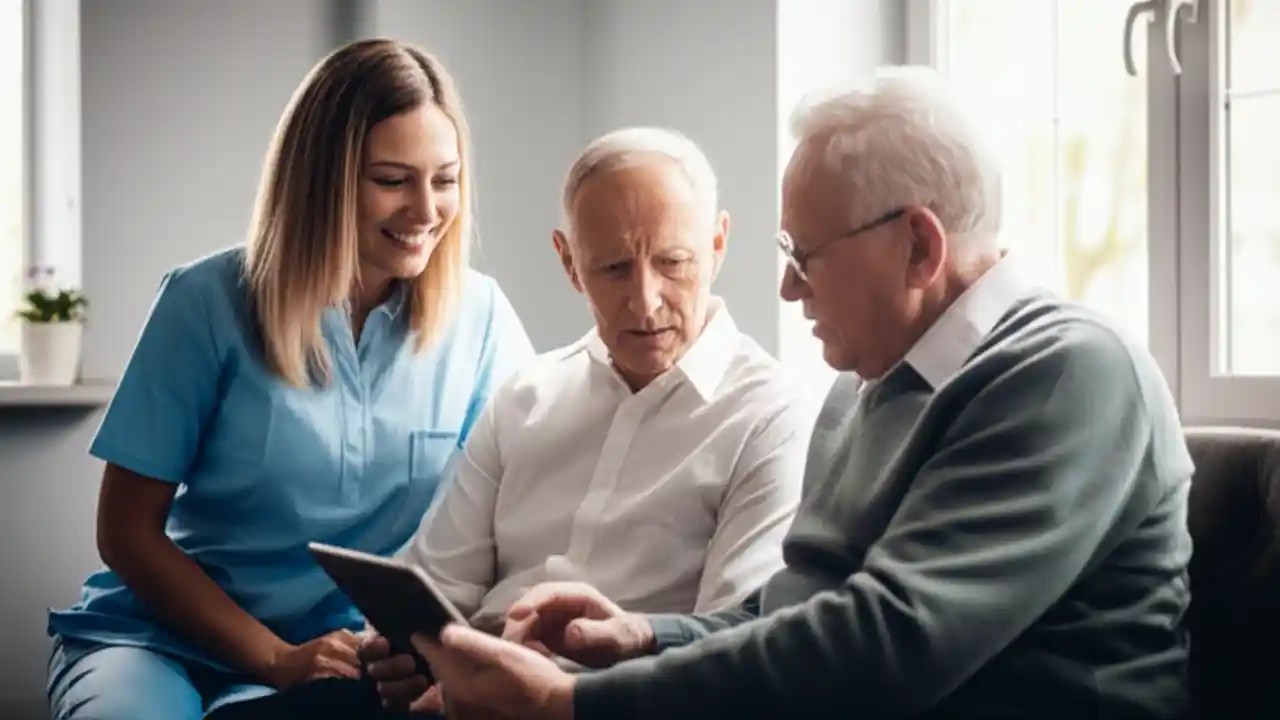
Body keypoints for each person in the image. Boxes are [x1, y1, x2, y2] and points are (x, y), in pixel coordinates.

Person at [407, 66, 1194, 719]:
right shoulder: (865, 388)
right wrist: (645, 636)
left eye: (804, 254)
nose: (787, 288)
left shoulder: (1068, 373)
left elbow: (888, 642)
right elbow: (795, 611)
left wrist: (569, 703)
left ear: (918, 246)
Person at [45, 38, 534, 720]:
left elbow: (518, 515)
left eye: (445, 180)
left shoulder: (480, 319)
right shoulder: (204, 301)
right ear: (322, 181)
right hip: (160, 640)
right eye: (392, 180)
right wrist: (273, 658)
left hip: (344, 660)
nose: (426, 210)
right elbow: (126, 530)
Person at [361, 127, 812, 714]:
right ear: (569, 262)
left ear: (718, 244)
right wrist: (404, 654)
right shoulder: (524, 397)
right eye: (615, 268)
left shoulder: (771, 416)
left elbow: (732, 650)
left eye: (673, 262)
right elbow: (435, 584)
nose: (645, 301)